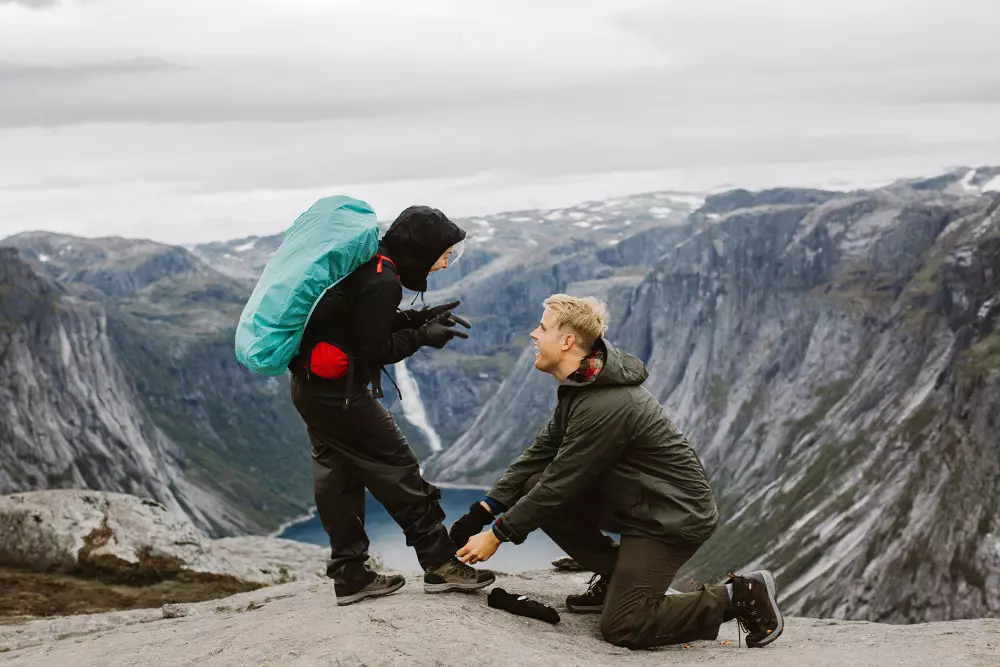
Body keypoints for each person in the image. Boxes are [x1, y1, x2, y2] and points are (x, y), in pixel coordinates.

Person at [448, 294, 783, 648]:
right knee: (532, 482)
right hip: (641, 503)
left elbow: (561, 483)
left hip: (671, 517)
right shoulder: (582, 386)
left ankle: (741, 595)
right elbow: (541, 452)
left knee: (624, 626)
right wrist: (483, 509)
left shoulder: (604, 405)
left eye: (542, 327)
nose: (534, 334)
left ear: (567, 341)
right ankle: (616, 576)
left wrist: (497, 534)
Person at [289, 205, 495, 606]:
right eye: (444, 252)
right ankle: (439, 564)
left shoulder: (373, 265)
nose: (446, 261)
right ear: (422, 248)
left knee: (339, 479)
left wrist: (418, 318)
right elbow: (371, 348)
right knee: (398, 466)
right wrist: (423, 337)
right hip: (341, 397)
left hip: (312, 389)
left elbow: (360, 321)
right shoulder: (385, 280)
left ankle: (350, 575)